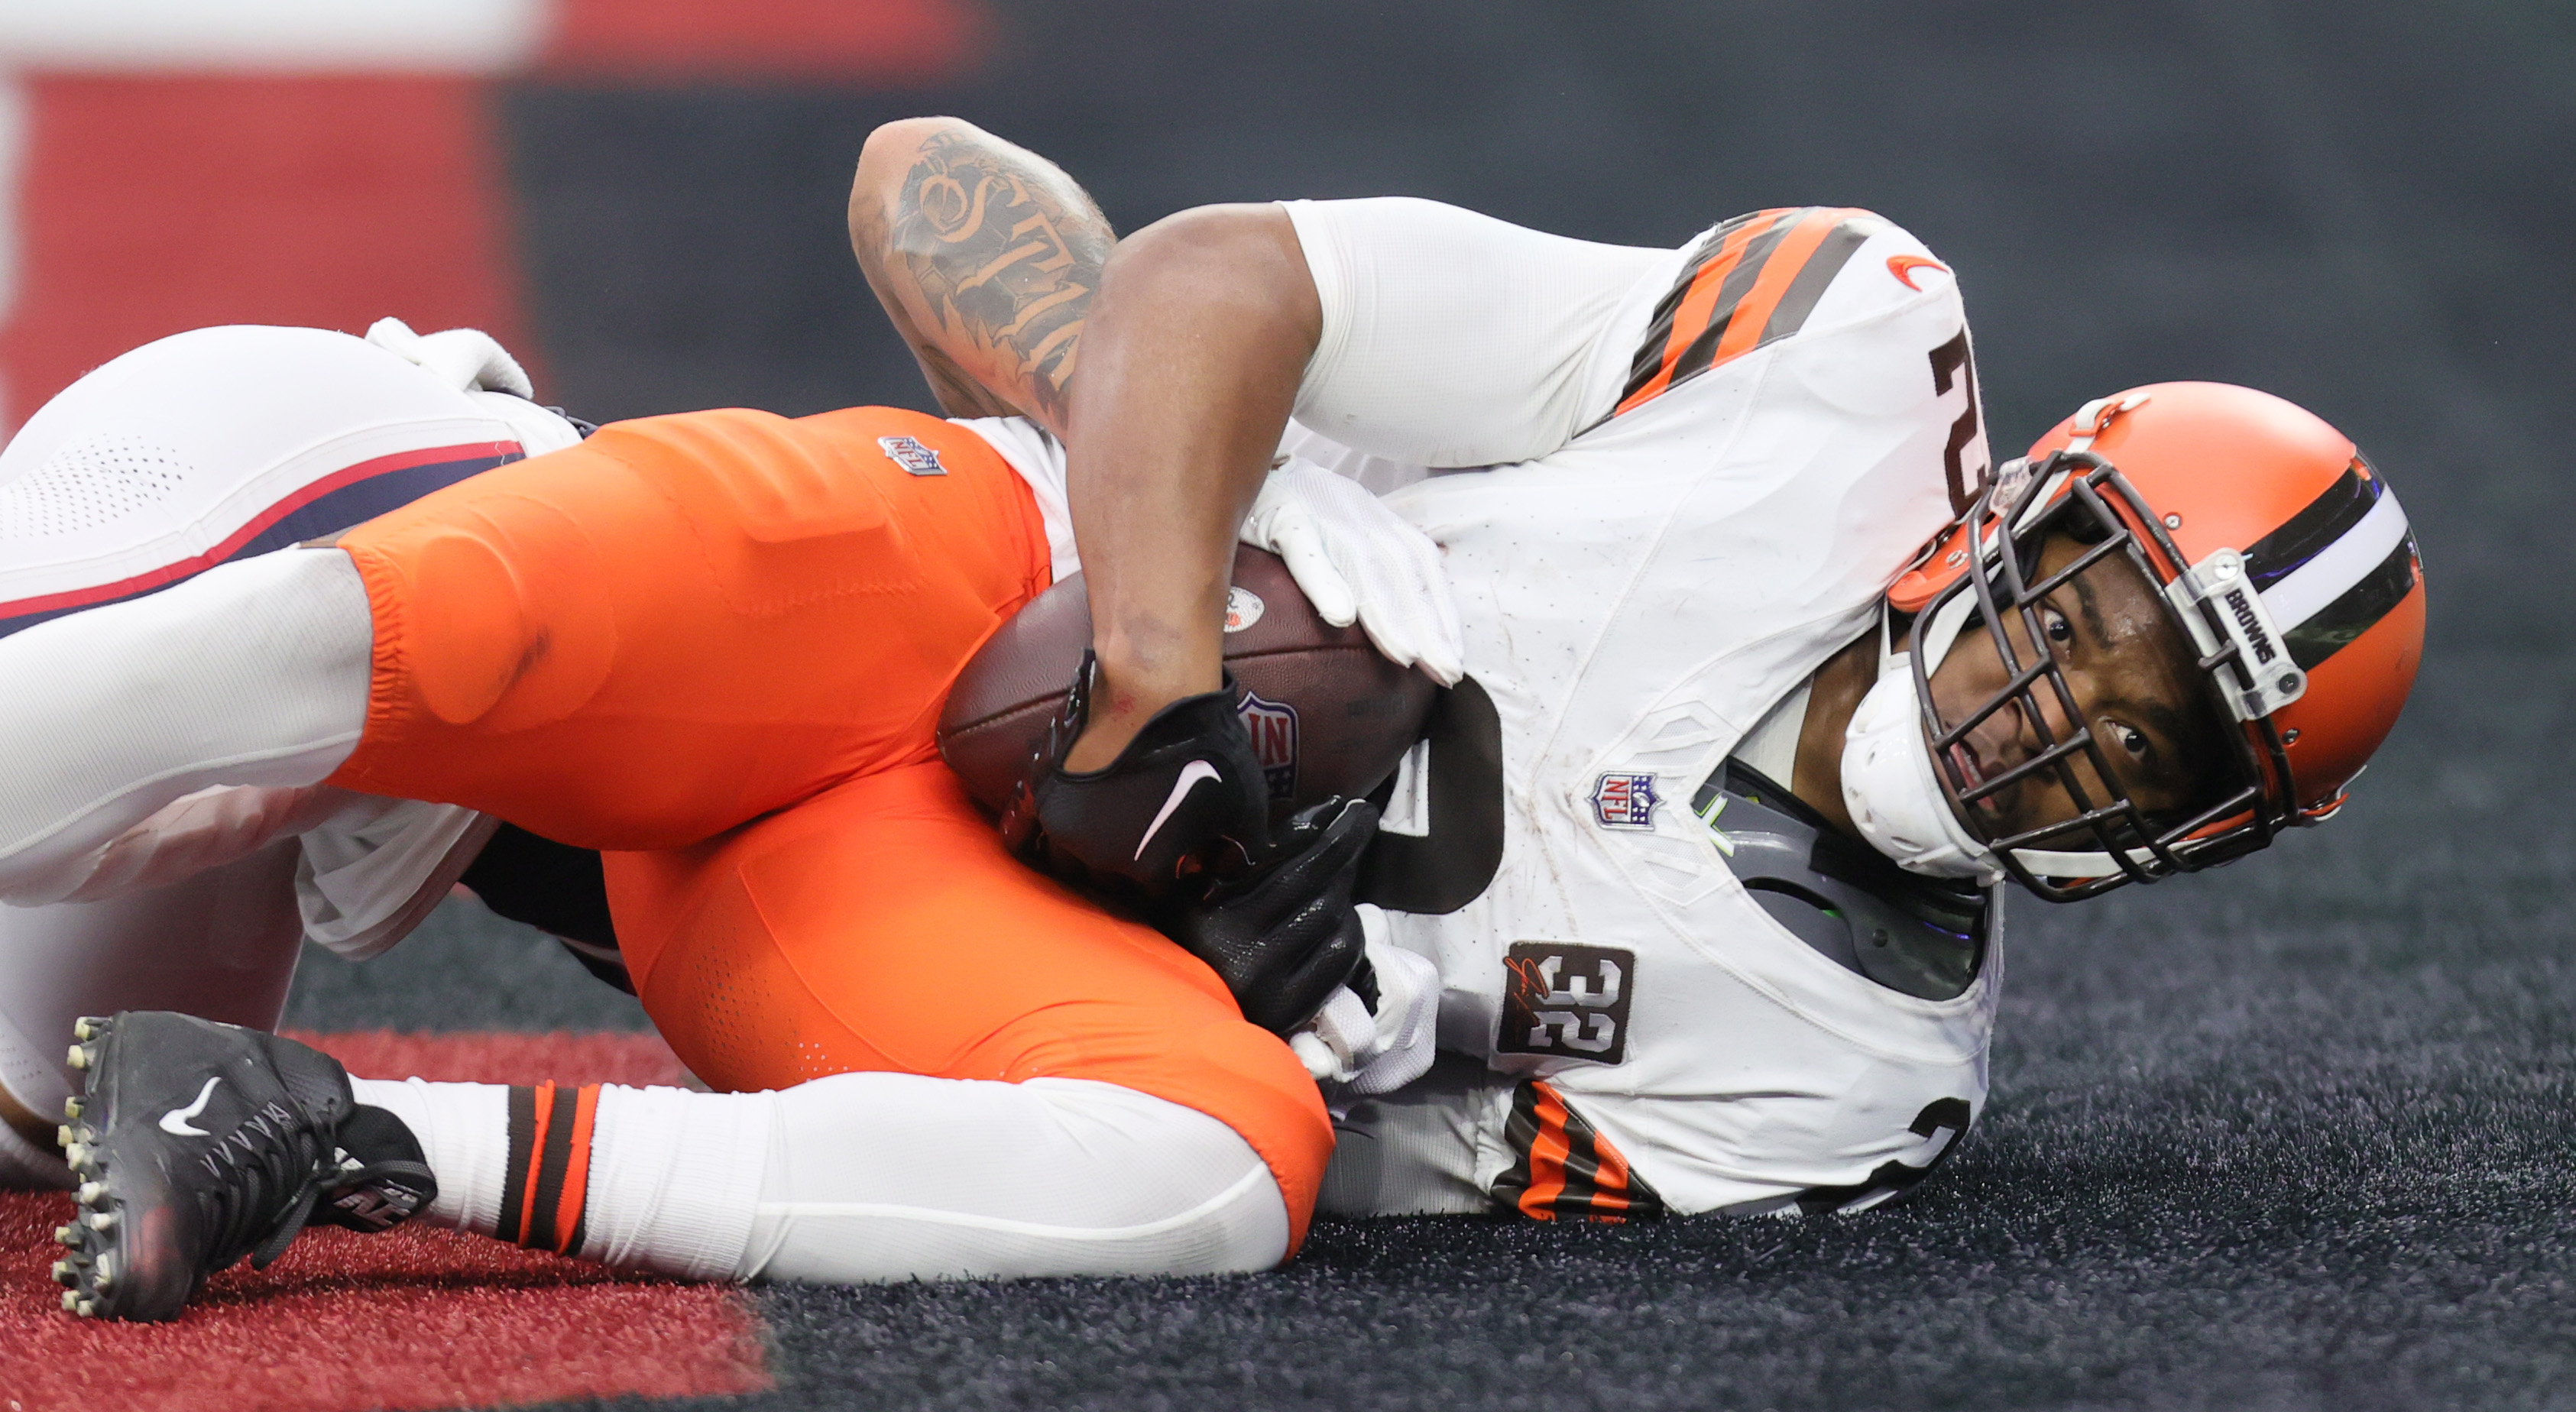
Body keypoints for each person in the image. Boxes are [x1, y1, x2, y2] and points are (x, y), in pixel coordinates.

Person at [25, 114, 2421, 1320]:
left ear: (2208, 838)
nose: (2063, 719)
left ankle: (335, 1141)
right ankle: (398, 667)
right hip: (954, 581)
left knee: (1214, 1182)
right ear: (2016, 509)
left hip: (922, 922)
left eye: (2163, 741)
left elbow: (1361, 1177)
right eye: (2090, 621)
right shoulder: (1823, 356)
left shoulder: (1844, 1098)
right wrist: (1175, 620)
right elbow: (1160, 264)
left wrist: (1344, 1024)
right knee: (234, 589)